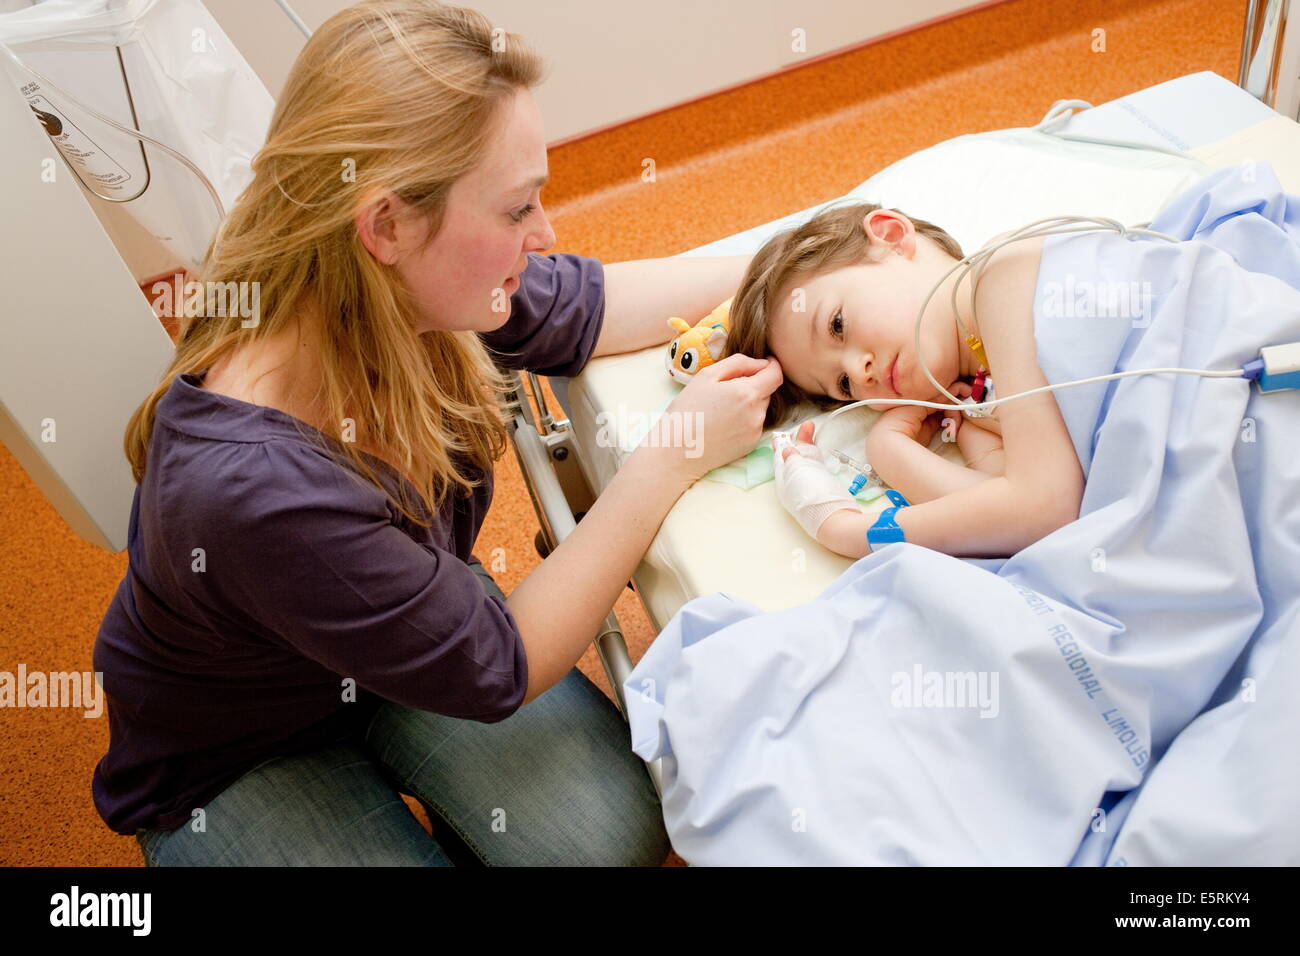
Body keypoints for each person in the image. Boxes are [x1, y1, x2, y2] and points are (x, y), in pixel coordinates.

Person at [92, 0, 782, 866]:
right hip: (241, 749)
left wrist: (794, 266)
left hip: (395, 638)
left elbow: (589, 304)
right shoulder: (256, 491)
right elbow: (504, 664)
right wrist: (673, 452)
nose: (546, 233)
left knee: (613, 841)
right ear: (386, 224)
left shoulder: (400, 283)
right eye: (516, 209)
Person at [723, 201, 1084, 560]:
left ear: (891, 236)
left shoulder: (1005, 269)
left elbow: (1045, 511)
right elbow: (1016, 517)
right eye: (845, 385)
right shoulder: (980, 414)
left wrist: (847, 530)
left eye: (837, 325)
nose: (860, 372)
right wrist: (891, 449)